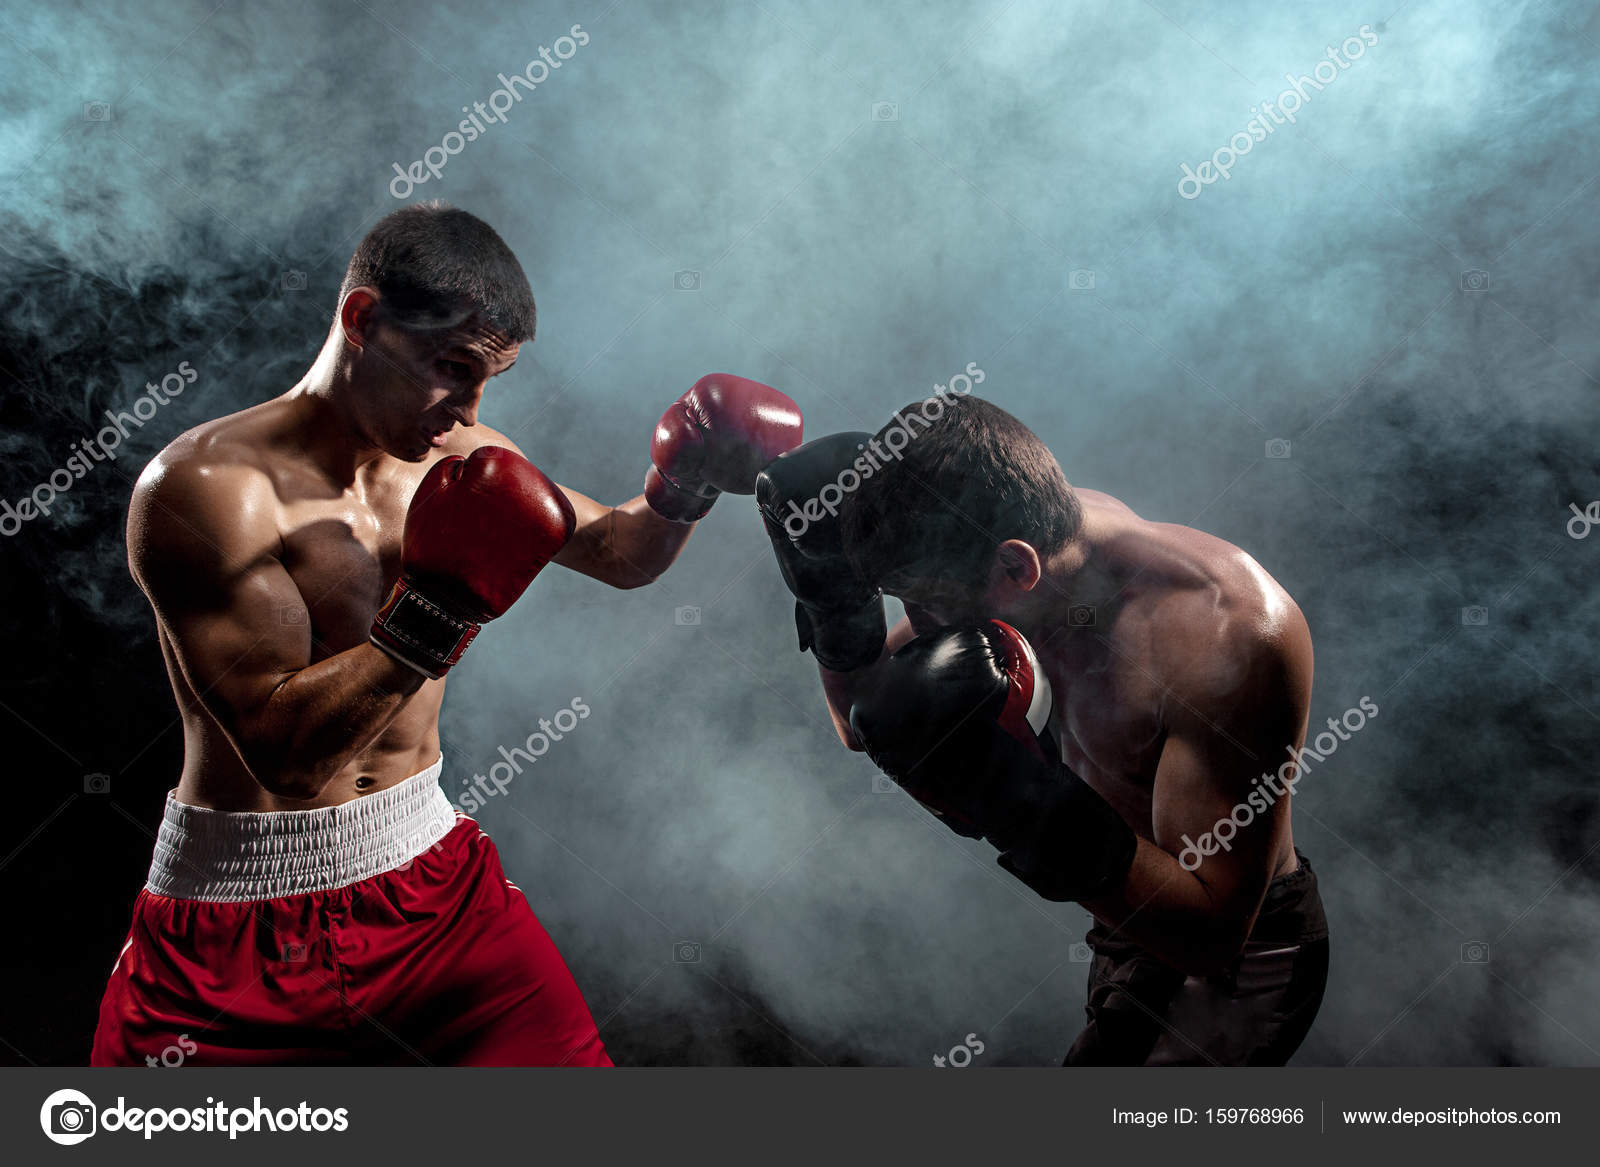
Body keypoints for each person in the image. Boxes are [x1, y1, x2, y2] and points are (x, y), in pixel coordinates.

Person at [91, 202, 801, 1066]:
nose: (466, 411)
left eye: (486, 381)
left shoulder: (459, 457)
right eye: (451, 368)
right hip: (238, 930)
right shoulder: (207, 490)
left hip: (434, 892)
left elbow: (619, 552)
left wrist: (683, 480)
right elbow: (287, 755)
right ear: (363, 320)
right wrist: (438, 611)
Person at [758, 396, 1327, 1065]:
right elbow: (870, 721)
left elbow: (1210, 935)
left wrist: (1007, 793)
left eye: (924, 599)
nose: (915, 621)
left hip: (1235, 958)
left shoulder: (1226, 634)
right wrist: (832, 604)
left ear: (1016, 567)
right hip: (1127, 932)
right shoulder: (995, 548)